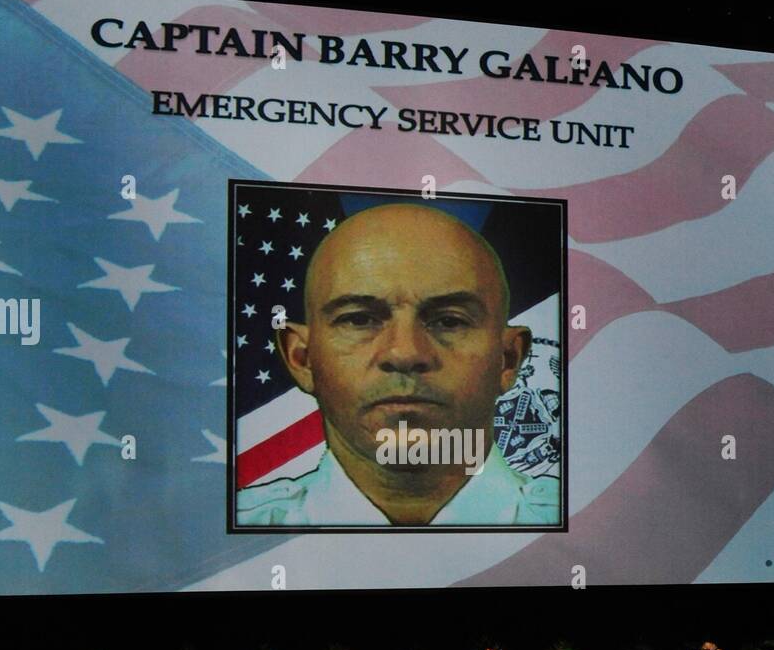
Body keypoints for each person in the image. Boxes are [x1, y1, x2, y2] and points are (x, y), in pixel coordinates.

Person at [236, 202, 561, 527]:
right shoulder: (216, 552)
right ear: (302, 359)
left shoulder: (588, 522)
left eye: (449, 321)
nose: (405, 353)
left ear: (508, 360)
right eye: (359, 319)